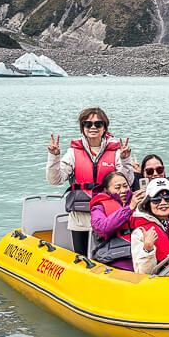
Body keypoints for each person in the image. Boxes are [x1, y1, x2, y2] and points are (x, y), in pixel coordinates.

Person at [47, 107, 134, 256]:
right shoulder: (73, 153)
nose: (93, 127)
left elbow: (128, 182)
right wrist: (54, 157)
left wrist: (125, 160)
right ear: (83, 127)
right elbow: (55, 179)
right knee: (81, 256)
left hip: (108, 216)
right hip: (80, 217)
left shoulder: (117, 153)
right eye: (88, 124)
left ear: (104, 127)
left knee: (106, 256)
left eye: (98, 124)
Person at [88, 171, 144, 270]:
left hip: (142, 253)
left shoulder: (139, 200)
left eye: (125, 186)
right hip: (116, 257)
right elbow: (102, 228)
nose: (123, 190)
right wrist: (129, 209)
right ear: (106, 190)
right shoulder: (98, 207)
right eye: (117, 188)